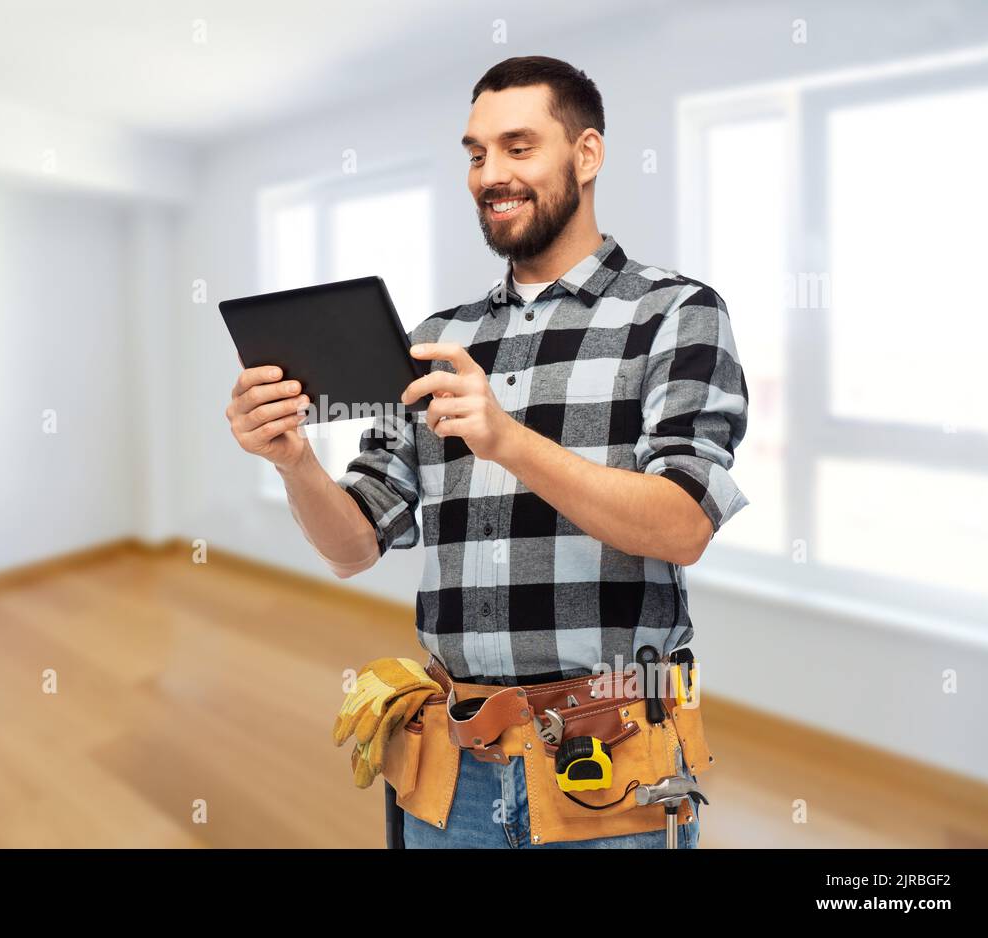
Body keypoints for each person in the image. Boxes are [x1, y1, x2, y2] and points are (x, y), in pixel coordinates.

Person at [225, 55, 748, 848]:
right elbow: (352, 547)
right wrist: (293, 460)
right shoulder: (437, 341)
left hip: (607, 768)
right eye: (475, 154)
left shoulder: (675, 314)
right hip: (452, 769)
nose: (490, 175)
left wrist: (505, 439)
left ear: (587, 154)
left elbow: (682, 526)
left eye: (517, 147)